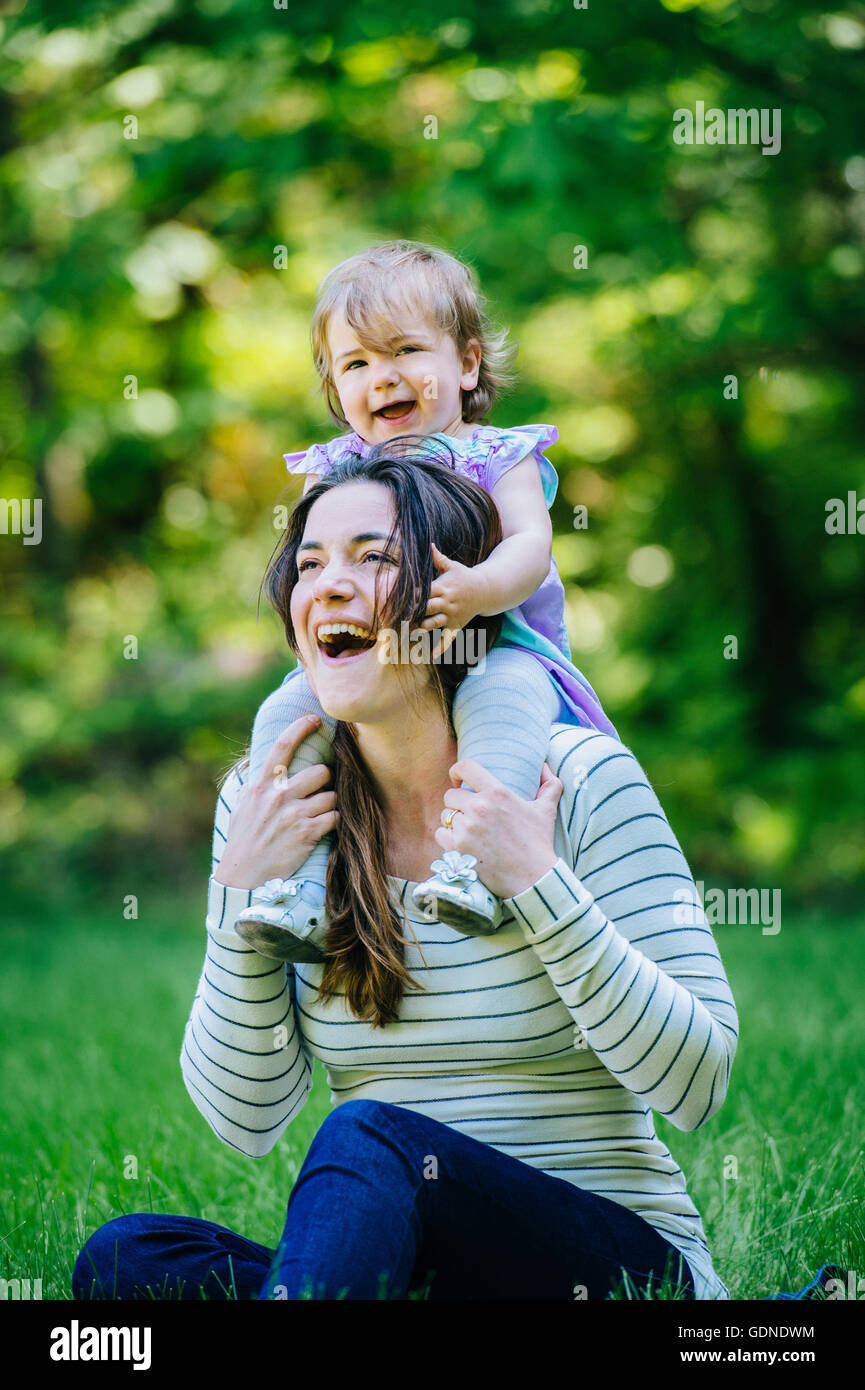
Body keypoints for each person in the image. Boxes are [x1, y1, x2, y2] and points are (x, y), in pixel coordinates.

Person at [71, 446, 739, 1302]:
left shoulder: (577, 781)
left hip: (611, 1267)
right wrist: (239, 906)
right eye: (309, 567)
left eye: (373, 558)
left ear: (457, 602)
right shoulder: (273, 806)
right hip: (414, 1265)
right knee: (127, 1260)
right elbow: (244, 1121)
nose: (329, 587)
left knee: (372, 1137)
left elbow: (697, 1084)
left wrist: (538, 883)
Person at [235, 238, 618, 957]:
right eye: (356, 364)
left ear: (466, 363)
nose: (382, 379)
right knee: (284, 713)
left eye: (405, 352)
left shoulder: (494, 455)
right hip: (379, 658)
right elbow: (310, 565)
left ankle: (469, 867)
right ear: (333, 386)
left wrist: (477, 592)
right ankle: (292, 885)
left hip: (491, 646)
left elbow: (529, 550)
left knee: (496, 706)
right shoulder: (339, 468)